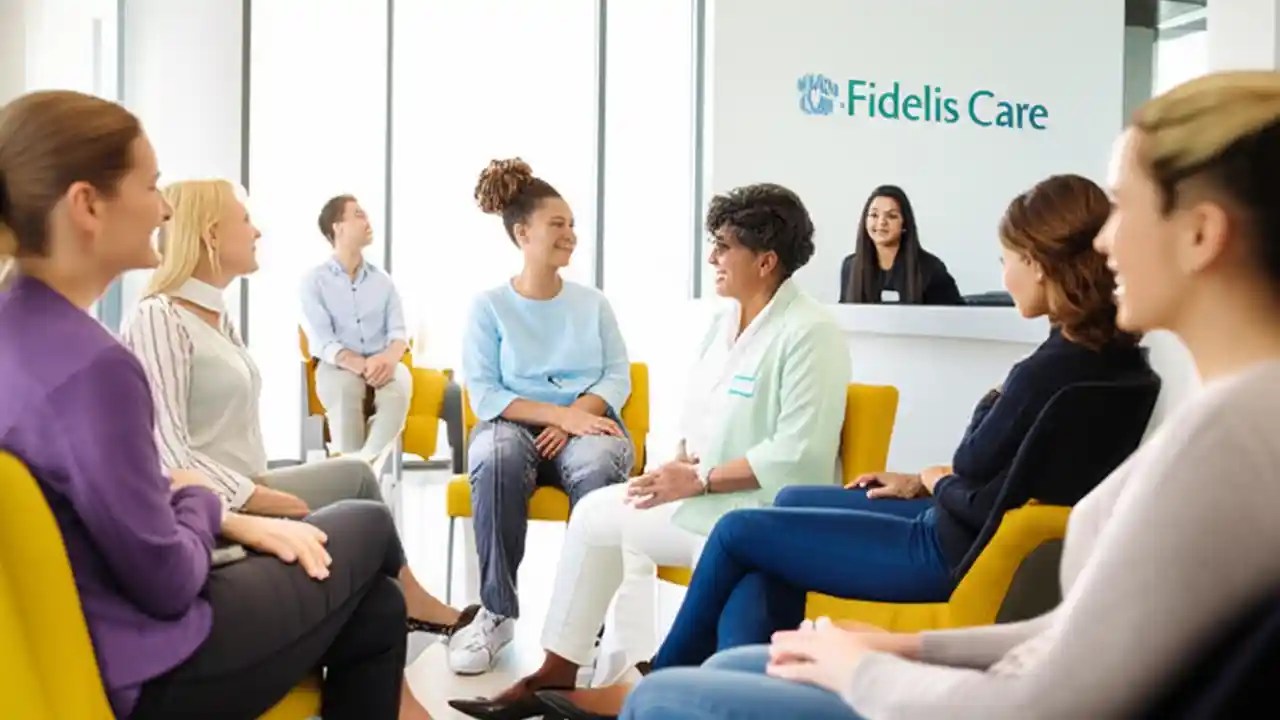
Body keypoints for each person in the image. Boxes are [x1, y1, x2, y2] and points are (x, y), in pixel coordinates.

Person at [619, 70, 1280, 720]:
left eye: (1124, 207)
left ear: (1200, 234)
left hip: (981, 663)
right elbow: (1074, 639)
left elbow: (1045, 699)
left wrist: (867, 669)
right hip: (1005, 649)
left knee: (663, 694)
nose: (1104, 242)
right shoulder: (1227, 421)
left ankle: (657, 679)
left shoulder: (1227, 445)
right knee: (741, 658)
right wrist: (899, 645)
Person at [538, 173, 1153, 719]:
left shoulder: (1046, 374)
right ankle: (737, 688)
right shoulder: (1120, 369)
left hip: (944, 545)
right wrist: (924, 479)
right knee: (782, 519)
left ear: (1040, 264)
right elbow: (1011, 481)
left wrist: (938, 479)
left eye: (1006, 257)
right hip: (958, 523)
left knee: (740, 534)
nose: (1002, 273)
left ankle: (664, 681)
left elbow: (971, 482)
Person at [0, 90, 420, 719]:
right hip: (155, 663)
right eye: (152, 185)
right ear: (87, 205)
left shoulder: (17, 331)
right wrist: (201, 500)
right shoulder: (96, 368)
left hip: (91, 634)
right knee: (365, 518)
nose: (164, 209)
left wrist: (215, 513)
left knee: (378, 609)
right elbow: (168, 580)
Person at [449, 182, 852, 719]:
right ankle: (557, 671)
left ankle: (650, 689)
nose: (712, 257)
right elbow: (698, 418)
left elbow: (799, 454)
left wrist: (701, 477)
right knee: (595, 514)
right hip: (704, 505)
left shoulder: (810, 331)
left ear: (766, 261)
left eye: (724, 246)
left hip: (759, 518)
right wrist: (677, 462)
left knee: (738, 637)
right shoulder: (723, 323)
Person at [121, 179, 477, 639]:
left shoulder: (218, 315)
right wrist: (255, 498)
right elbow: (166, 453)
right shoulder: (159, 317)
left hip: (250, 481)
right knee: (367, 542)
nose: (257, 232)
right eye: (245, 220)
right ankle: (402, 603)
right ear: (210, 235)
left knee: (358, 476)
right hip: (218, 508)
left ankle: (408, 596)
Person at [446, 157, 636, 676]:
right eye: (558, 224)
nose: (571, 234)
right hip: (514, 424)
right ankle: (497, 613)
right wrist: (558, 416)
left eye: (573, 224)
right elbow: (484, 393)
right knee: (496, 458)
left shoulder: (593, 304)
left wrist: (573, 418)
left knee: (599, 466)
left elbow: (618, 377)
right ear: (522, 233)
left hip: (586, 423)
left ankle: (583, 629)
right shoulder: (488, 307)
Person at [300, 194, 411, 464]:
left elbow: (399, 334)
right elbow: (324, 341)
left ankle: (362, 466)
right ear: (338, 227)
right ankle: (354, 471)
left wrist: (386, 360)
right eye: (359, 215)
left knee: (397, 390)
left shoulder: (383, 281)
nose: (368, 221)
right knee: (345, 390)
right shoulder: (314, 282)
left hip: (384, 362)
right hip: (337, 365)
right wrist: (360, 365)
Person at [839, 185, 963, 305]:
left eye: (891, 216)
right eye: (874, 215)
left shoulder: (931, 269)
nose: (881, 222)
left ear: (905, 224)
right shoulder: (851, 266)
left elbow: (956, 319)